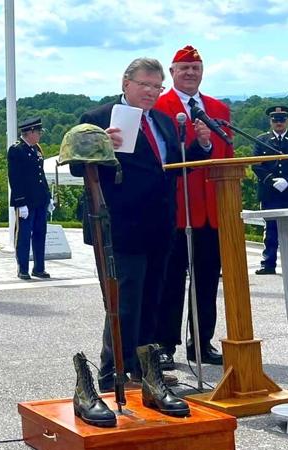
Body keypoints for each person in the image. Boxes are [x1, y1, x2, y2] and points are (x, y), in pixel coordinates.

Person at [78, 57, 213, 391]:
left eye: (157, 86)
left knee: (153, 299)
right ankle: (113, 372)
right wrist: (98, 147)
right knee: (124, 302)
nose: (152, 92)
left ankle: (144, 369)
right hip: (119, 227)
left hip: (159, 225)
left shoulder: (164, 122)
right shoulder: (98, 119)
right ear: (126, 84)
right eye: (145, 85)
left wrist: (203, 147)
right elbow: (77, 169)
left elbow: (174, 167)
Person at [154, 45, 231, 368]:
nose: (190, 74)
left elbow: (227, 155)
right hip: (176, 211)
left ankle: (201, 341)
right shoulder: (160, 106)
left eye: (195, 68)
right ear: (172, 73)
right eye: (183, 68)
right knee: (170, 280)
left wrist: (209, 142)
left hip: (212, 211)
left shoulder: (217, 109)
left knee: (207, 280)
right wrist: (193, 144)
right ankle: (165, 343)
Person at [252, 105, 288, 277]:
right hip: (270, 193)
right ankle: (268, 263)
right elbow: (256, 165)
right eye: (275, 120)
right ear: (270, 121)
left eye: (282, 119)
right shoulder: (261, 140)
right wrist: (271, 181)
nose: (279, 123)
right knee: (270, 230)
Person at [7, 117, 52, 281]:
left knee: (40, 234)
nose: (40, 135)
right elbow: (15, 178)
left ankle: (39, 267)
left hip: (39, 199)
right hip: (26, 200)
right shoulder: (16, 150)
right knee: (24, 235)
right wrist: (20, 202)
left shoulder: (36, 149)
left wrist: (48, 197)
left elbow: (41, 175)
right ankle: (23, 268)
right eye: (38, 132)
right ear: (30, 132)